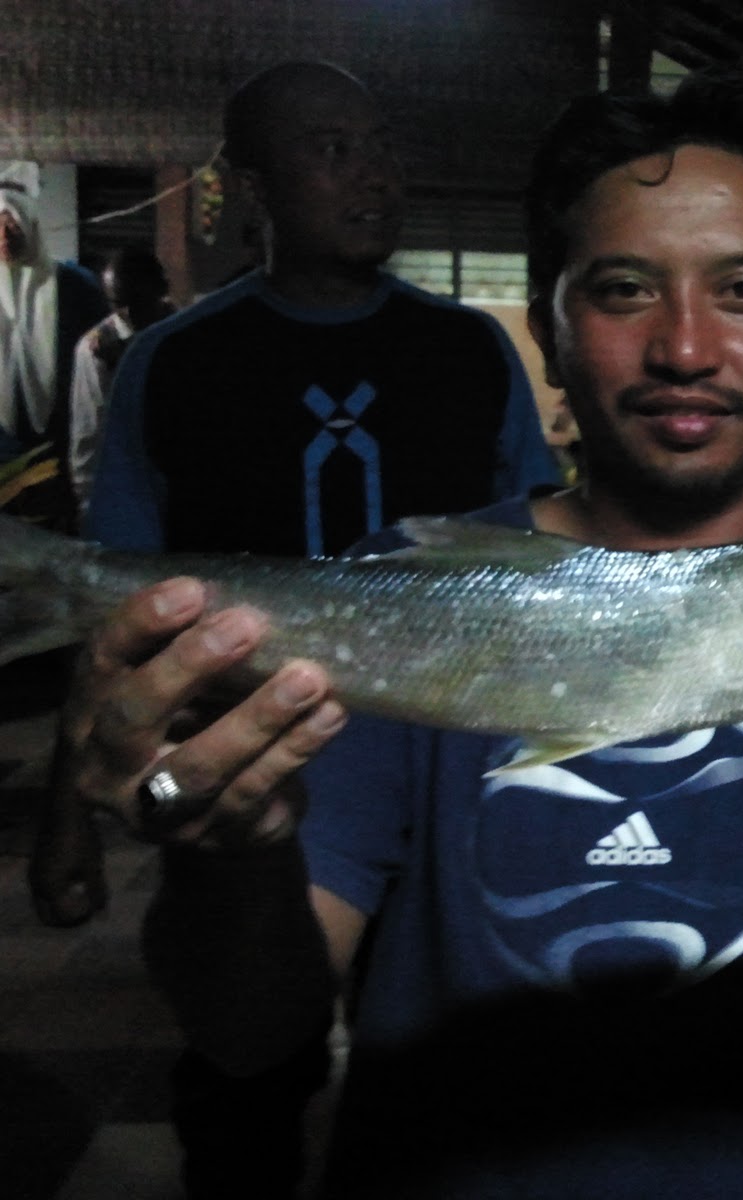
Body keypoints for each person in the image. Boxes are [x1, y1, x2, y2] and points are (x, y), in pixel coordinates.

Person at [58, 74, 743, 1198]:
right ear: (550, 328)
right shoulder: (401, 595)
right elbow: (248, 1031)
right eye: (624, 290)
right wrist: (231, 851)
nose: (684, 346)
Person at [31, 58, 559, 1191]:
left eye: (381, 147)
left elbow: (538, 560)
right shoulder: (173, 365)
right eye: (330, 149)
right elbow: (116, 607)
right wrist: (66, 822)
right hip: (246, 775)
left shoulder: (468, 351)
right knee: (241, 1074)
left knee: (438, 1043)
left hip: (441, 762)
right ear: (253, 187)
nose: (373, 173)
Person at [0, 183, 109, 528]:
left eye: (13, 225)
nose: (4, 236)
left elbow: (100, 353)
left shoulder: (74, 285)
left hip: (61, 442)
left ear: (31, 227)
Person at [67, 247, 178, 522]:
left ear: (161, 288)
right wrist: (87, 505)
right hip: (125, 494)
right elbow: (88, 434)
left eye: (137, 300)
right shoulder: (94, 350)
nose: (126, 313)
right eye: (117, 303)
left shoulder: (186, 335)